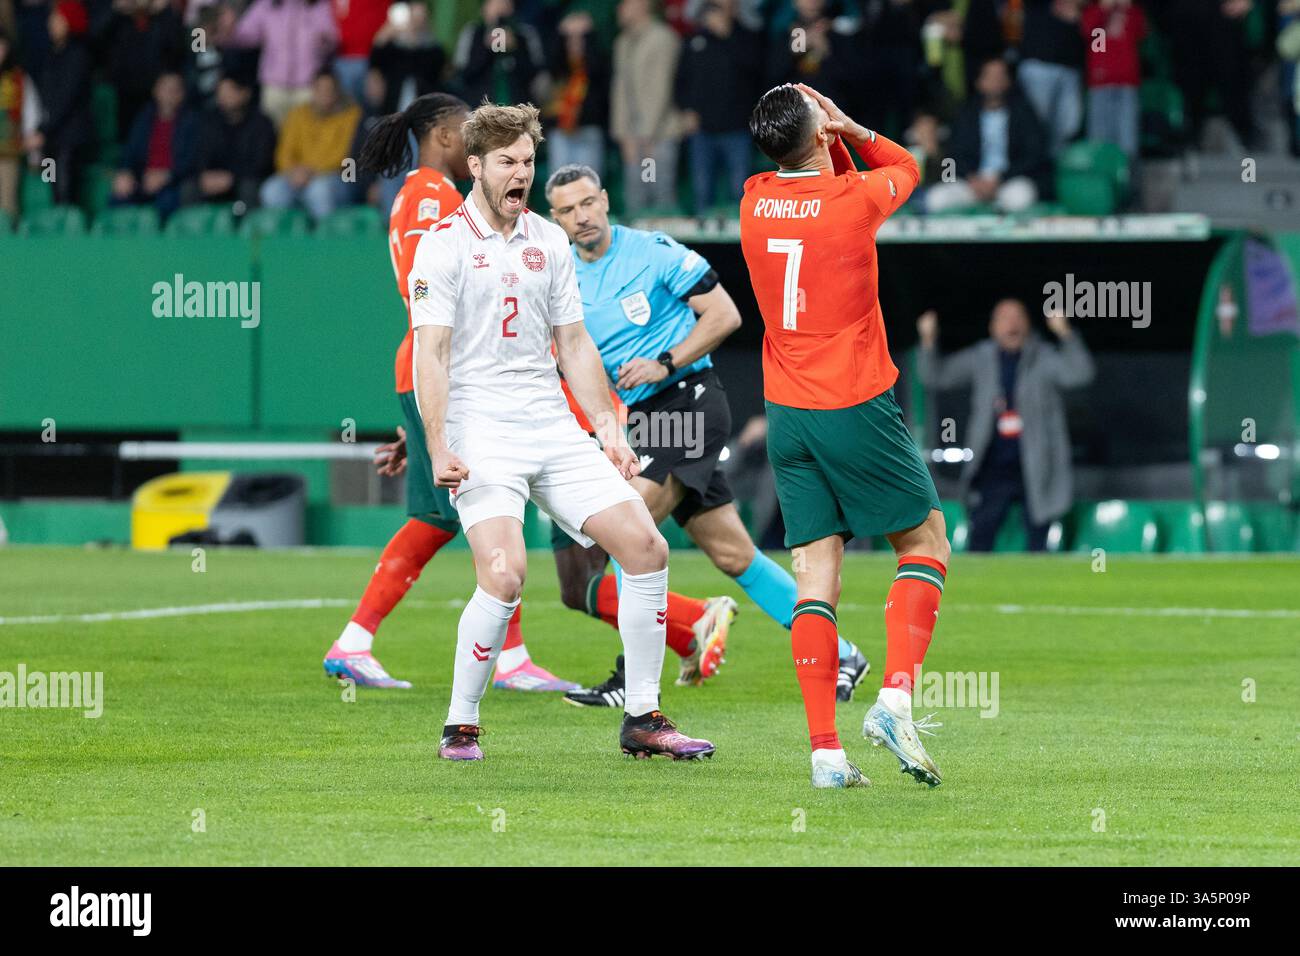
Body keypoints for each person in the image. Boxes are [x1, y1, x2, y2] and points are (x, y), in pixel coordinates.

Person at [408, 102, 713, 761]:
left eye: (528, 162)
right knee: (505, 571)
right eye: (508, 163)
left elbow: (573, 344)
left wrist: (607, 425)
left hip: (550, 425)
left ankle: (643, 718)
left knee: (646, 548)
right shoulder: (443, 246)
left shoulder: (548, 240)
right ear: (476, 166)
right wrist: (437, 442)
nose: (521, 174)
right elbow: (427, 354)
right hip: (481, 429)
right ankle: (461, 724)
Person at [546, 162, 871, 704]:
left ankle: (634, 680)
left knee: (629, 530)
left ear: (604, 199)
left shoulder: (653, 251)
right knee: (735, 557)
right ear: (554, 219)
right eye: (566, 210)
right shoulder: (564, 276)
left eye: (586, 203)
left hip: (690, 400)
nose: (580, 217)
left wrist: (664, 362)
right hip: (646, 421)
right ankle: (843, 654)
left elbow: (724, 315)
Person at [324, 92, 575, 694]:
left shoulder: (417, 196)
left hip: (439, 373)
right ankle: (495, 658)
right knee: (486, 507)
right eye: (470, 137)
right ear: (443, 136)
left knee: (449, 515)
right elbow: (432, 298)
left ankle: (359, 640)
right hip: (454, 369)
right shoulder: (435, 198)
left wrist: (425, 422)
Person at [741, 83, 950, 790]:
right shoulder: (852, 201)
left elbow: (801, 176)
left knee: (815, 576)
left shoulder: (752, 197)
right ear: (823, 135)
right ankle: (894, 698)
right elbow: (910, 165)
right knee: (925, 541)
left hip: (786, 413)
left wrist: (819, 133)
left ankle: (825, 754)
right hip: (851, 400)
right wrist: (851, 125)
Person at [915, 300, 1094, 552]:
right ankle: (974, 588)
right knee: (981, 535)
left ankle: (1037, 588)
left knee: (1039, 538)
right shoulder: (981, 357)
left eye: (1018, 317)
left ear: (1029, 324)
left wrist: (1064, 332)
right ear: (992, 327)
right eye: (1004, 318)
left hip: (1036, 465)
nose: (1012, 323)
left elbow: (1080, 373)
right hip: (993, 465)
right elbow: (935, 376)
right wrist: (928, 339)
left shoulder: (1042, 357)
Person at [924, 56, 1048, 214]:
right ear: (979, 82)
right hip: (972, 183)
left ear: (1009, 81)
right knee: (937, 198)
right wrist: (972, 178)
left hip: (1008, 182)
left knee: (1022, 198)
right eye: (990, 76)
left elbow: (1033, 155)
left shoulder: (1023, 113)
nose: (996, 81)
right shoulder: (966, 114)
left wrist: (1000, 178)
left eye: (1000, 76)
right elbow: (953, 155)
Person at [674, 0, 763, 214]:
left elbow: (756, 74)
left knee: (739, 192)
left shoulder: (748, 37)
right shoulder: (695, 40)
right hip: (702, 129)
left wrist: (727, 37)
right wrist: (686, 110)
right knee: (702, 192)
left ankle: (743, 244)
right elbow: (681, 81)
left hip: (737, 128)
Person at [611, 0, 683, 215]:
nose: (619, 8)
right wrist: (623, 135)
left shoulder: (663, 38)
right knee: (636, 198)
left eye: (625, 3)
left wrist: (647, 135)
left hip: (658, 136)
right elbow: (620, 90)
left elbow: (661, 89)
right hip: (633, 137)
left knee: (659, 195)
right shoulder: (623, 41)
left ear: (642, 5)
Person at [259, 70, 359, 222]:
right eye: (320, 89)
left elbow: (346, 157)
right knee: (271, 190)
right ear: (313, 90)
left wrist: (311, 172)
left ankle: (325, 239)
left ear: (338, 91)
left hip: (337, 178)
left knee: (319, 191)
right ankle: (285, 239)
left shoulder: (352, 115)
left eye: (329, 90)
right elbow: (284, 152)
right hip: (297, 176)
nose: (325, 94)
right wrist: (293, 171)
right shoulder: (298, 114)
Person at [220, 0, 338, 127]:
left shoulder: (319, 6)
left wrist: (324, 42)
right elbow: (245, 35)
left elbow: (332, 38)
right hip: (274, 85)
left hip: (307, 85)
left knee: (306, 132)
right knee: (272, 133)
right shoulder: (266, 5)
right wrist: (229, 31)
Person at [27, 0, 93, 206]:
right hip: (53, 141)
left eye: (56, 18)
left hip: (69, 141)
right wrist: (42, 131)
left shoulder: (78, 55)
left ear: (69, 21)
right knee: (54, 193)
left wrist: (43, 131)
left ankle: (71, 238)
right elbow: (47, 99)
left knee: (66, 196)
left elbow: (65, 98)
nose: (50, 23)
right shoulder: (53, 54)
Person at [112, 71, 197, 221]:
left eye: (175, 90)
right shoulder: (144, 119)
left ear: (182, 94)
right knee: (118, 197)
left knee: (168, 202)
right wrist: (125, 172)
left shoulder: (192, 122)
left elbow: (192, 160)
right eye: (165, 88)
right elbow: (130, 152)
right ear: (156, 90)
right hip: (143, 179)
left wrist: (167, 176)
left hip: (173, 182)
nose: (169, 94)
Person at [184, 72, 275, 209]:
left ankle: (248, 229)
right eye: (221, 92)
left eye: (229, 91)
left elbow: (261, 163)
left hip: (245, 178)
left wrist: (232, 177)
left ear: (246, 93)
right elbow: (200, 155)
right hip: (216, 178)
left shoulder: (261, 123)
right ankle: (192, 229)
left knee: (249, 188)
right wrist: (205, 174)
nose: (224, 96)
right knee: (189, 188)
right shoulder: (210, 121)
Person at [1079, 0, 1146, 159]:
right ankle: (1101, 178)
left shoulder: (1132, 11)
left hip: (1127, 82)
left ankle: (1128, 180)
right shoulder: (1095, 11)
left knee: (1128, 138)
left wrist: (1127, 8)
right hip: (1101, 83)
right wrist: (1104, 9)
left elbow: (1141, 33)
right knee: (1099, 138)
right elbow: (1095, 42)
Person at [1018, 0, 1085, 156]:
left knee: (1069, 126)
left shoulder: (1089, 13)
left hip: (1071, 67)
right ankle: (1033, 170)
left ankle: (1055, 171)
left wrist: (1077, 6)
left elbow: (1098, 39)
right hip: (1039, 63)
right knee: (1036, 124)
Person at [451, 0, 546, 108]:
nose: (500, 8)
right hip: (479, 105)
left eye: (505, 3)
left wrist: (515, 48)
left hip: (518, 105)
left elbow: (535, 74)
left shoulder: (524, 34)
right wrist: (486, 48)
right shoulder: (473, 32)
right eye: (494, 3)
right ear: (483, 9)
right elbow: (464, 74)